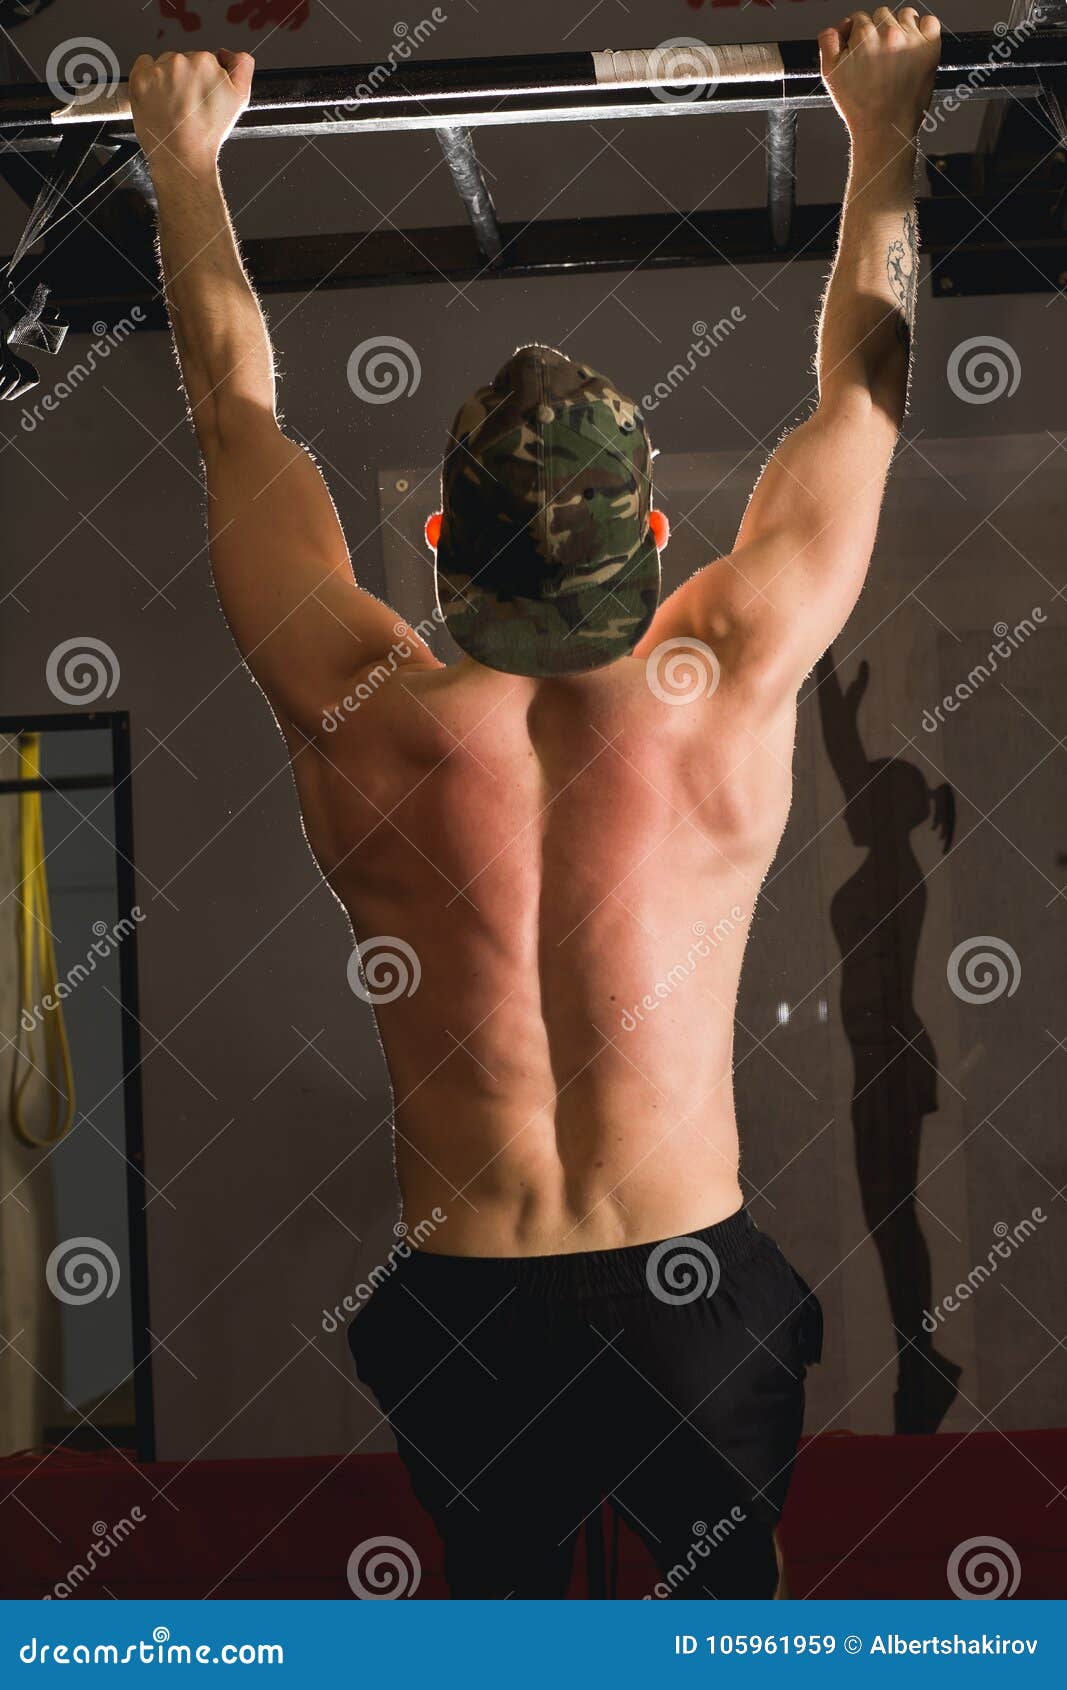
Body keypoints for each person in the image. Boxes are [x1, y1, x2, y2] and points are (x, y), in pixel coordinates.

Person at [129, 7, 942, 1598]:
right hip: (688, 1286)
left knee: (505, 1625)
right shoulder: (730, 668)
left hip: (471, 1297)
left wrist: (183, 161)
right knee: (728, 1630)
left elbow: (233, 410)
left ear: (439, 548)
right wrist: (886, 124)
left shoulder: (358, 703)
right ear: (654, 543)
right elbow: (866, 397)